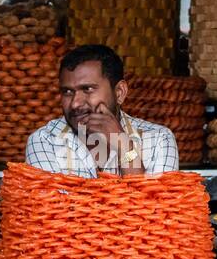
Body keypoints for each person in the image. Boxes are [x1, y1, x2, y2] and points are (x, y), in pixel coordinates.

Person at [25, 44, 179, 178]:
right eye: (67, 92)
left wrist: (123, 144)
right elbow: (53, 210)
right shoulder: (45, 140)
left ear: (119, 92)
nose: (75, 104)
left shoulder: (159, 140)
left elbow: (152, 210)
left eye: (88, 89)